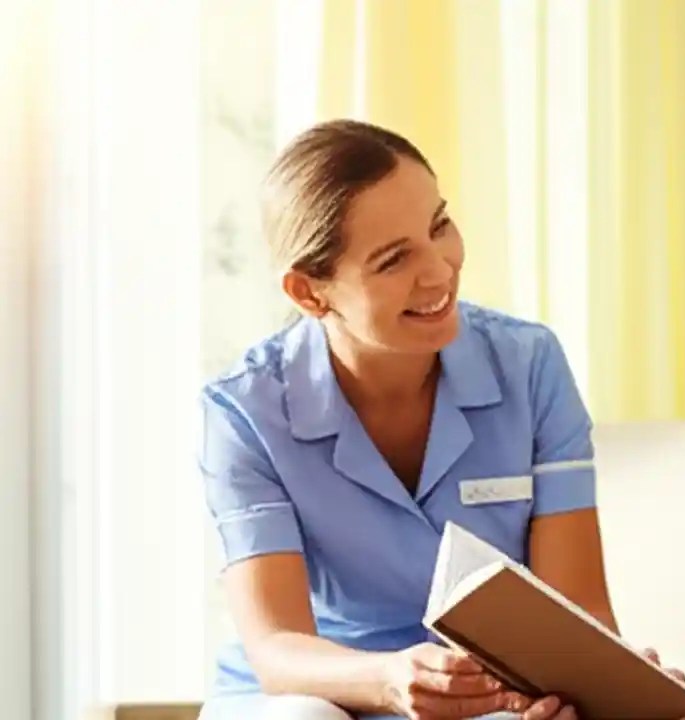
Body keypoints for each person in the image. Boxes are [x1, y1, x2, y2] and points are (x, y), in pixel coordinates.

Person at [197, 119, 631, 720]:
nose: (440, 271)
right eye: (394, 259)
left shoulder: (529, 365)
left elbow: (579, 609)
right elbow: (277, 650)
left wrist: (584, 689)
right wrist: (388, 678)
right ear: (309, 293)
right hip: (315, 693)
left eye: (439, 226)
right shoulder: (244, 410)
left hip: (478, 694)